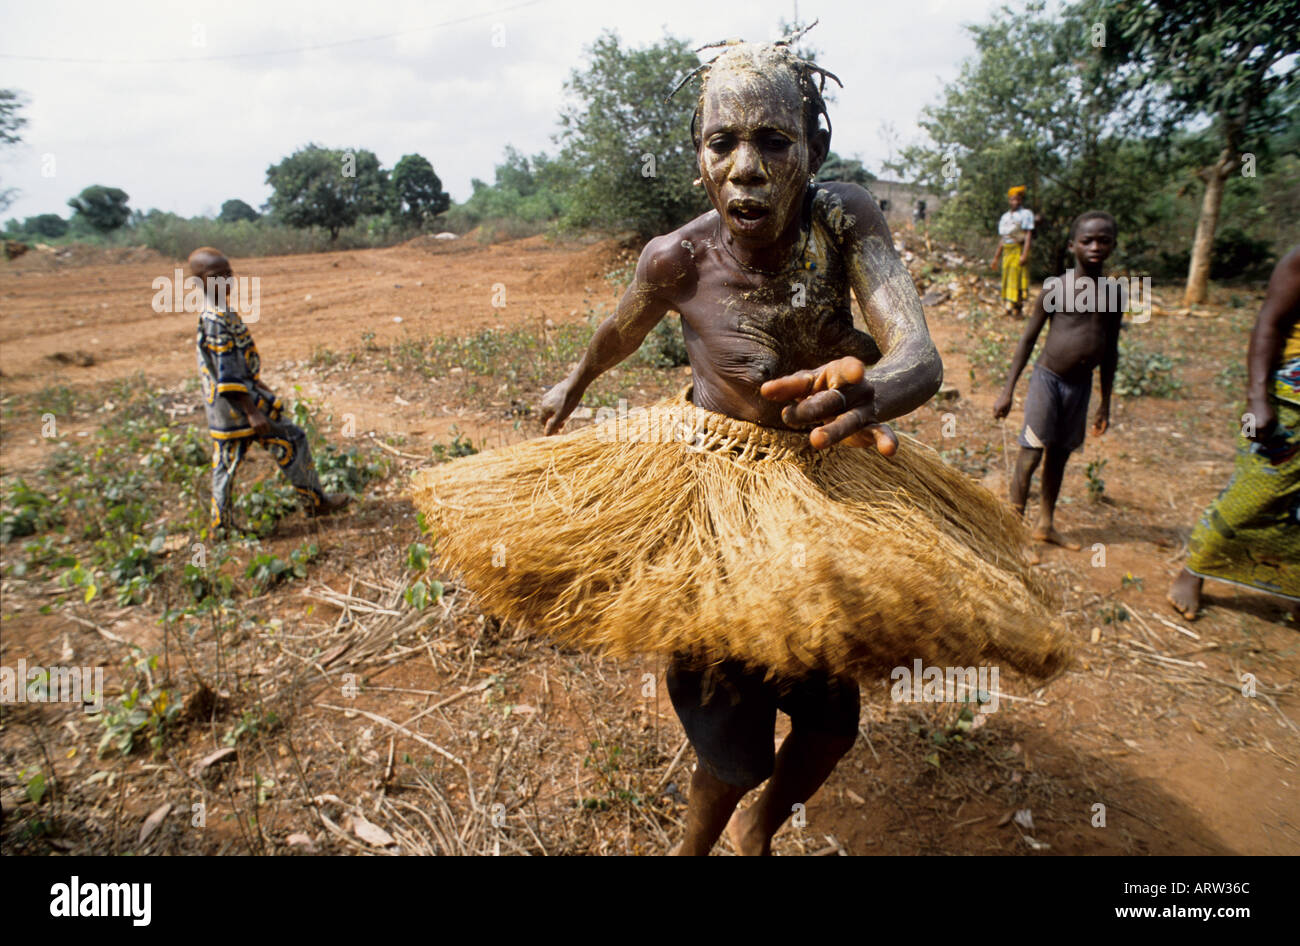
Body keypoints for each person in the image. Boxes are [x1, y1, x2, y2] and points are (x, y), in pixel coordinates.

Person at [413, 35, 1067, 856]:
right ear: (699, 158)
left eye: (773, 141)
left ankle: (758, 831)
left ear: (814, 150)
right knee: (732, 747)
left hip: (824, 487)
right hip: (713, 489)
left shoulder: (844, 217)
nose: (746, 167)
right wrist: (572, 384)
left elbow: (919, 355)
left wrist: (870, 393)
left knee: (830, 725)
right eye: (723, 143)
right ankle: (695, 848)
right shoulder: (678, 257)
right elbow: (620, 329)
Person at [1168, 247, 1300, 620]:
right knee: (1253, 491)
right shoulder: (1298, 259)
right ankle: (1194, 569)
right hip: (1284, 403)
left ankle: (1293, 587)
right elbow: (1268, 322)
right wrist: (1256, 398)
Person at [190, 246, 349, 534]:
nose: (226, 281)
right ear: (199, 282)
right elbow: (227, 371)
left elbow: (237, 361)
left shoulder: (220, 311)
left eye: (228, 274)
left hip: (229, 406)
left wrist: (259, 384)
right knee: (292, 438)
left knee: (226, 463)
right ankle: (315, 502)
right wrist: (252, 412)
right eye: (217, 276)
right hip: (237, 406)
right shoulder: (215, 319)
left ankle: (220, 524)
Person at [993, 212, 1122, 550]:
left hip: (1080, 386)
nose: (1095, 246)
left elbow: (1111, 352)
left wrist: (1105, 402)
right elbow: (1028, 340)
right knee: (1031, 454)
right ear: (1072, 246)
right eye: (1087, 240)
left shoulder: (1114, 294)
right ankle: (1011, 533)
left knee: (1060, 456)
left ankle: (1046, 524)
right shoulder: (1056, 288)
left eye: (1103, 240)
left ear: (1113, 245)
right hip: (1048, 381)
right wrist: (1007, 390)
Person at [993, 185, 1034, 317]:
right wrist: (996, 258)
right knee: (1007, 278)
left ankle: (1018, 308)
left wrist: (1024, 254)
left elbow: (1028, 235)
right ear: (1009, 200)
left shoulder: (1026, 214)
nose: (1014, 202)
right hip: (1007, 251)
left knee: (1018, 278)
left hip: (1018, 249)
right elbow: (1003, 239)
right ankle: (1008, 307)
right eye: (1012, 199)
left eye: (1017, 199)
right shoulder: (1005, 217)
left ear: (1021, 200)